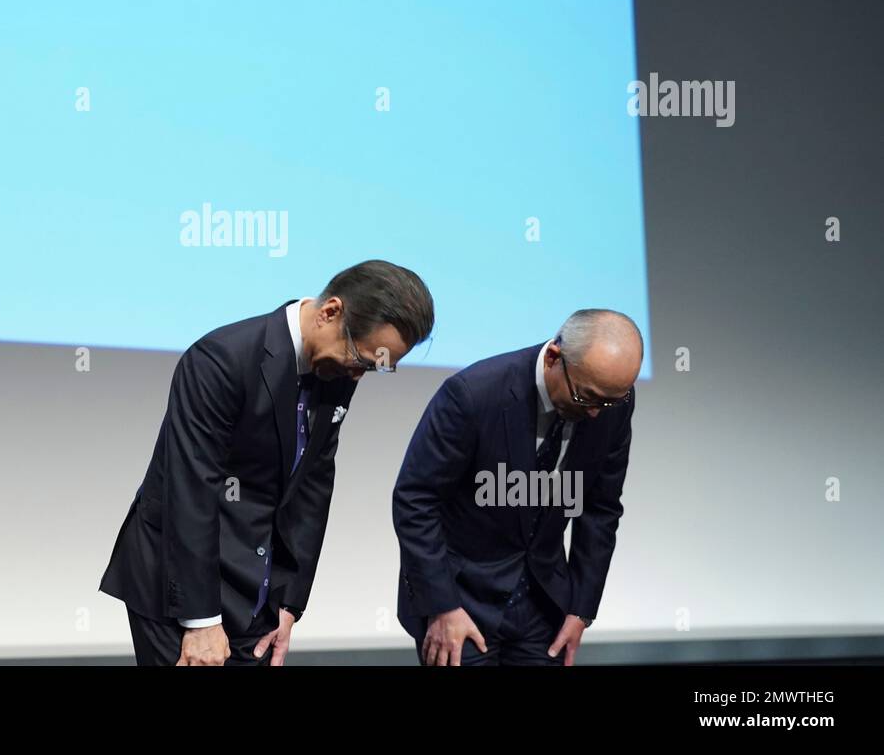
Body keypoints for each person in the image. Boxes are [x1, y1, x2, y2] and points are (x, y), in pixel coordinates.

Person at [101, 260, 435, 665]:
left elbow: (313, 484)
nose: (360, 376)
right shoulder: (221, 359)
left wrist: (289, 600)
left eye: (378, 368)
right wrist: (201, 621)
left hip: (254, 591)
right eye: (363, 360)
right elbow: (190, 492)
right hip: (178, 589)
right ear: (330, 312)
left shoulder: (336, 370)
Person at [393, 309, 642, 666]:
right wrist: (441, 604)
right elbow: (415, 499)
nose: (595, 414)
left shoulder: (612, 402)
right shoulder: (474, 394)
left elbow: (601, 508)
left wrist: (581, 608)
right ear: (554, 358)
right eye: (587, 397)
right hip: (461, 601)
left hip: (545, 605)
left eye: (610, 402)